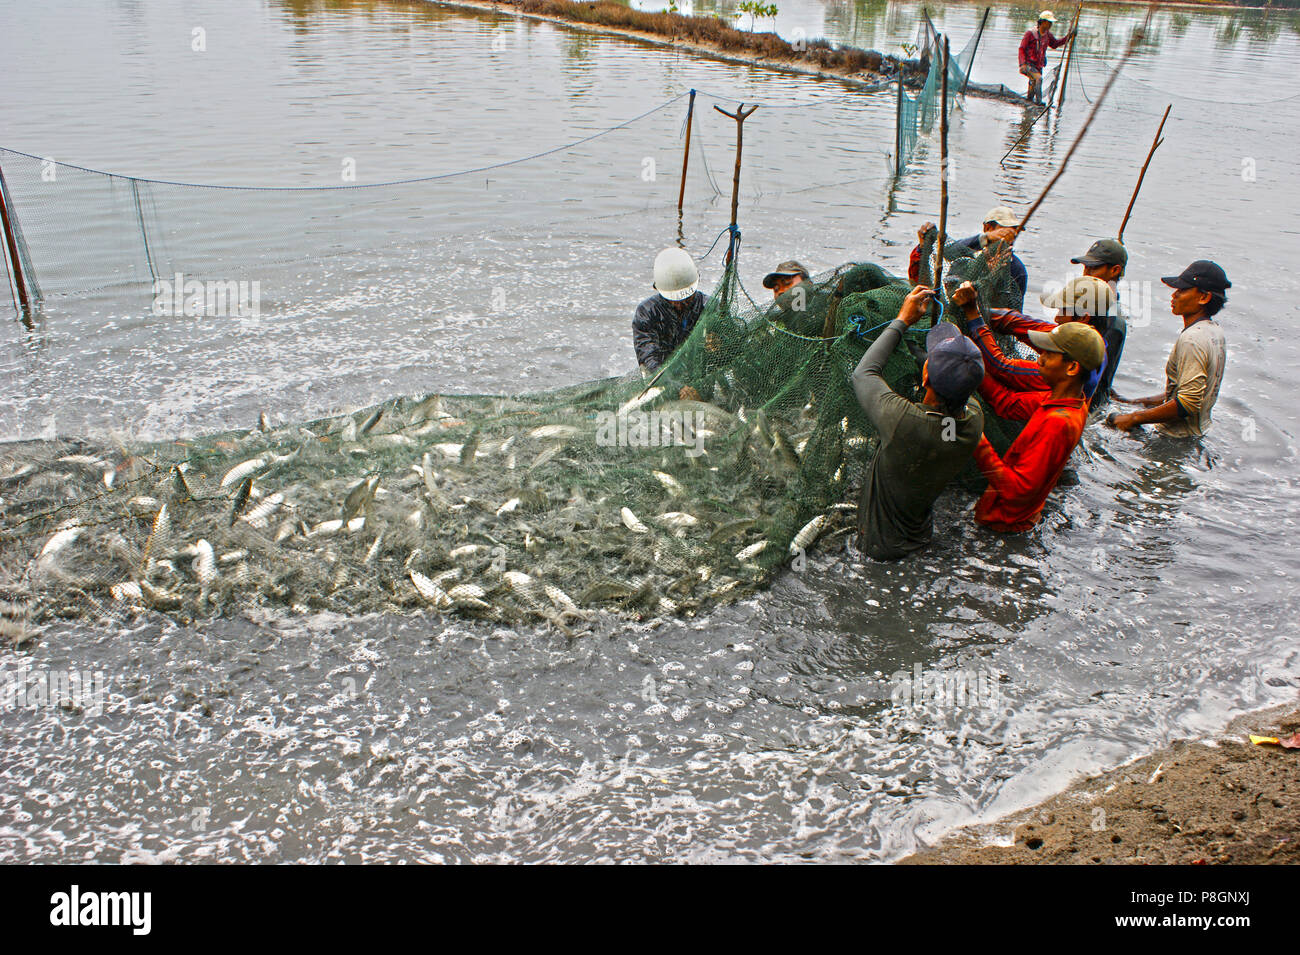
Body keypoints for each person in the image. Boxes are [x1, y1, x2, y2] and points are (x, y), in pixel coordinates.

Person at [850, 285, 985, 560]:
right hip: (921, 539)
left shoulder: (904, 421)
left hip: (877, 550)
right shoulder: (974, 419)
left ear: (925, 378)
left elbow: (863, 374)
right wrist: (923, 356)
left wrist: (902, 320)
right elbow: (954, 382)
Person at [967, 316, 1104, 532]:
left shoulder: (1058, 423)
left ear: (1072, 368)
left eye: (1049, 354)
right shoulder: (1073, 403)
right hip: (1023, 516)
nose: (1040, 359)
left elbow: (1015, 491)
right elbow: (1008, 403)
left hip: (1003, 525)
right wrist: (972, 369)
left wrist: (976, 438)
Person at [1107, 260, 1229, 437]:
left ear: (1204, 297)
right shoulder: (1215, 332)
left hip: (1176, 438)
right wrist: (1135, 402)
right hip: (1200, 432)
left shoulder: (1192, 340)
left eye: (1182, 290)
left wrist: (1133, 418)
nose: (1174, 295)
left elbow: (1188, 402)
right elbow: (1186, 391)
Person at [957, 274, 1116, 407]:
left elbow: (1002, 368)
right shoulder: (1089, 340)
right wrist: (981, 310)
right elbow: (1017, 323)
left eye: (1063, 310)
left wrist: (973, 315)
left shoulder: (1069, 368)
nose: (1056, 318)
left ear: (1082, 318)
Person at [910, 207, 1029, 310]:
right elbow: (949, 251)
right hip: (955, 311)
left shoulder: (1017, 269)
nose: (1010, 236)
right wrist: (986, 238)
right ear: (987, 228)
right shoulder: (967, 254)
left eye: (1014, 232)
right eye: (1005, 231)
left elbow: (1012, 310)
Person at [1070, 238, 1129, 400]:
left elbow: (1096, 380)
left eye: (1093, 268)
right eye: (1085, 267)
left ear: (1115, 270)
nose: (1086, 274)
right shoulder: (1088, 305)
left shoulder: (1112, 322)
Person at [633, 247, 706, 373]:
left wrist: (717, 344)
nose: (680, 305)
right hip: (663, 374)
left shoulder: (709, 308)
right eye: (674, 300)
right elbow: (647, 355)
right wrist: (669, 381)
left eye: (687, 299)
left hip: (701, 373)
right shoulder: (647, 313)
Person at [1019, 11, 1075, 105]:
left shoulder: (1047, 35)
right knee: (1038, 79)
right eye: (1049, 22)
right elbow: (1022, 49)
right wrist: (1022, 64)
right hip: (1028, 65)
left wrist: (1068, 37)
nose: (1051, 25)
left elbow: (1055, 44)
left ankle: (1029, 104)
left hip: (1038, 66)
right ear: (1043, 22)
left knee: (1033, 85)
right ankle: (1039, 103)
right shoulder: (1030, 34)